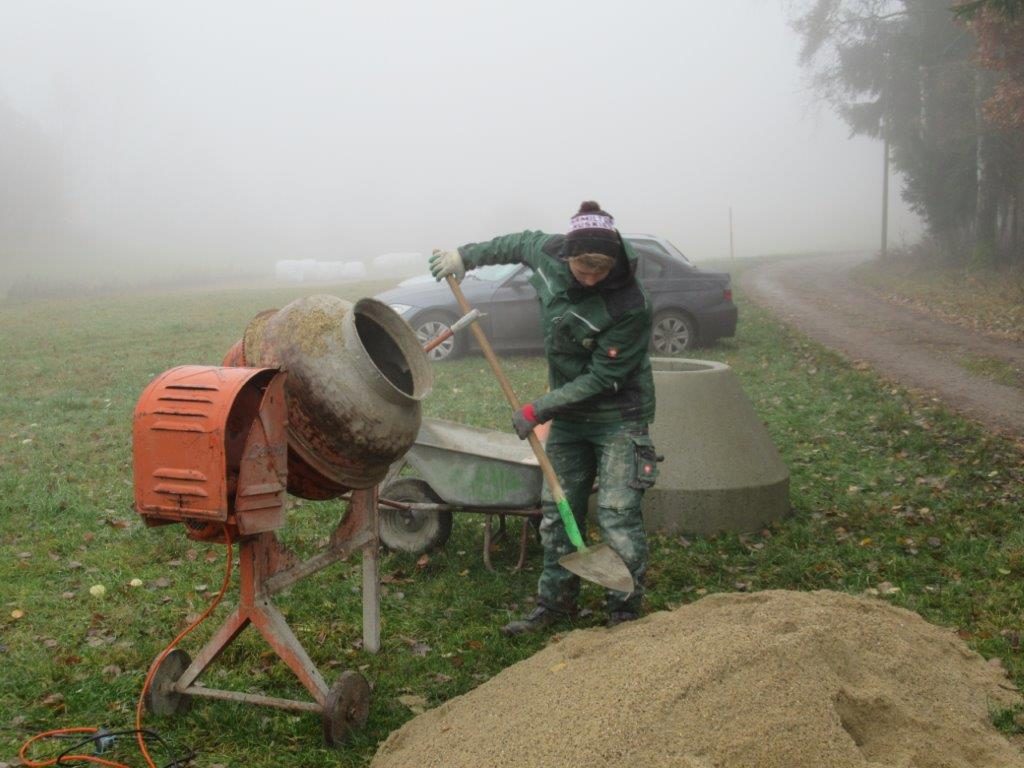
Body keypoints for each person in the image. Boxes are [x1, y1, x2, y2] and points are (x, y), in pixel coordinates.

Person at [429, 201, 658, 634]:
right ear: (566, 256)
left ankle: (625, 613)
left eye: (599, 272)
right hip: (570, 419)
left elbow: (604, 377)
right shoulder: (549, 252)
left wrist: (539, 410)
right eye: (581, 270)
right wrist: (465, 257)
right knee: (557, 511)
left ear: (614, 262)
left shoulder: (631, 303)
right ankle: (554, 606)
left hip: (618, 416)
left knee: (616, 512)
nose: (588, 279)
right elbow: (514, 243)